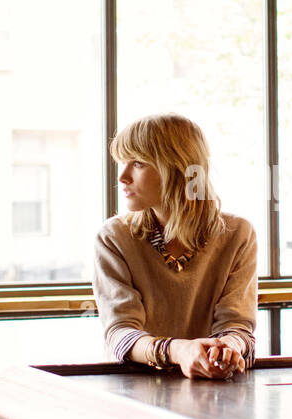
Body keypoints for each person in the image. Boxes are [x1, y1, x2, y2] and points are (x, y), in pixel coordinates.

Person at [92, 113, 257, 380]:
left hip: (214, 392)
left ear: (177, 167)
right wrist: (179, 351)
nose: (122, 176)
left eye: (138, 163)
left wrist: (228, 349)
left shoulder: (238, 234)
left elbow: (237, 326)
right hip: (133, 392)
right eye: (122, 163)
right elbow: (120, 332)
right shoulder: (113, 237)